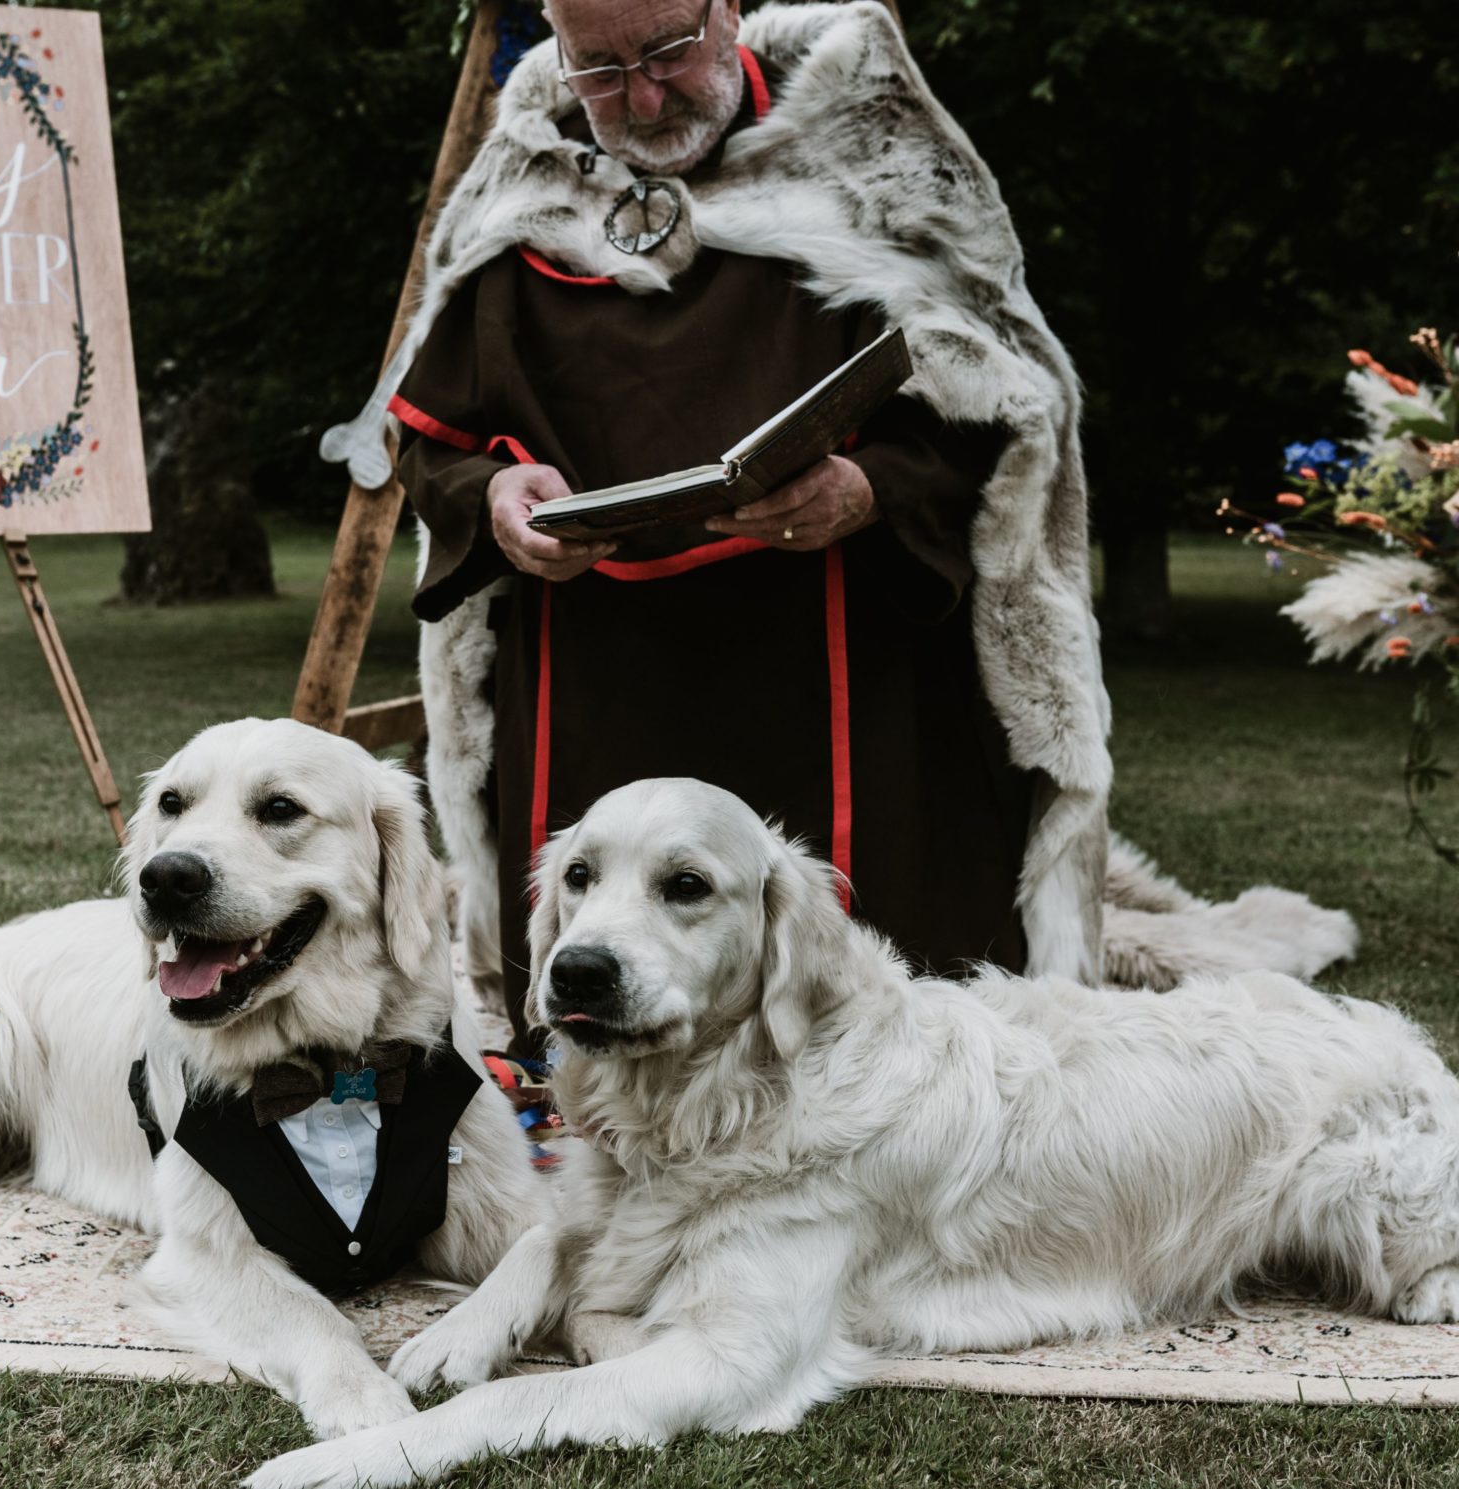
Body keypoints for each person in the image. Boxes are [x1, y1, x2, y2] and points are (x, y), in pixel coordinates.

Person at [317, 0, 1318, 1050]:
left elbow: (1000, 418)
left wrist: (867, 487)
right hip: (592, 669)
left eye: (667, 51)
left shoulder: (876, 159)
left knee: (889, 1042)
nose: (644, 99)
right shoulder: (524, 186)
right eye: (600, 70)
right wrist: (493, 499)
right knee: (597, 1027)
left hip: (848, 661)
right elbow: (431, 440)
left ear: (727, 12)